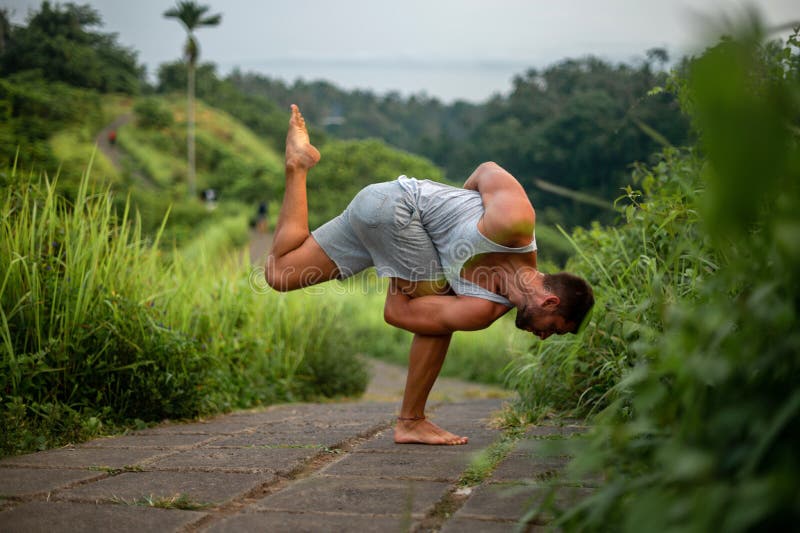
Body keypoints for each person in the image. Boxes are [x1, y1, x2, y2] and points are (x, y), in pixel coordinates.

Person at [266, 105, 594, 445]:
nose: (542, 338)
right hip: (399, 204)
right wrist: (454, 210)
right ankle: (410, 421)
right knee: (440, 318)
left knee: (280, 273)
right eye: (552, 329)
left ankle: (298, 165)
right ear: (549, 300)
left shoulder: (482, 309)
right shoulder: (514, 223)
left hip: (375, 209)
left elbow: (396, 313)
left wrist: (397, 259)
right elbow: (487, 169)